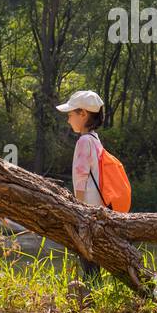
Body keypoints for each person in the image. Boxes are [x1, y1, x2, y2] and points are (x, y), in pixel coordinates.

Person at [55, 89, 108, 281]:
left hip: (86, 209)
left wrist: (77, 210)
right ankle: (94, 294)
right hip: (98, 208)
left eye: (70, 115)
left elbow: (80, 178)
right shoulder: (95, 139)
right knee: (93, 262)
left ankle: (91, 298)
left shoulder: (84, 141)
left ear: (83, 114)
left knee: (87, 261)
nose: (68, 120)